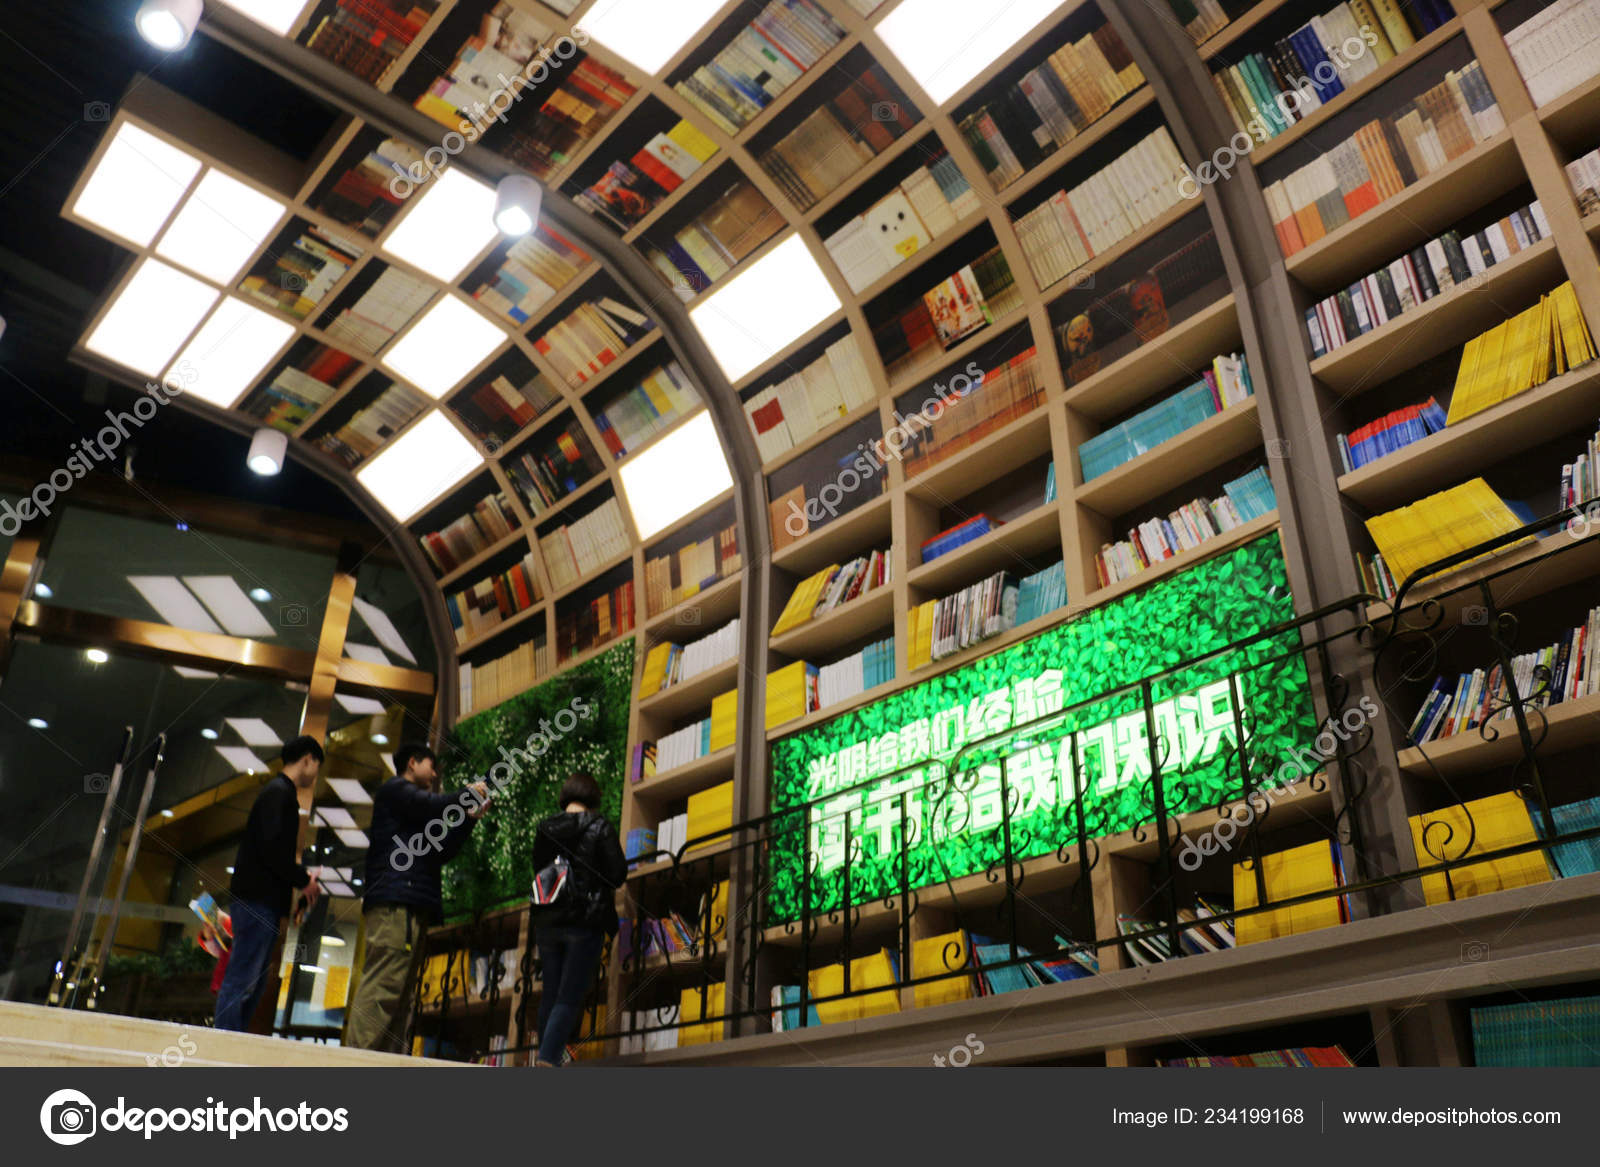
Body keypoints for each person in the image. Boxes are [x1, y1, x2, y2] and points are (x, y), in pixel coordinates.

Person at [344, 744, 489, 1052]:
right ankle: (355, 1062)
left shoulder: (413, 812)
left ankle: (378, 1063)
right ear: (412, 763)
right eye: (431, 766)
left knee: (400, 991)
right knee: (385, 984)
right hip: (396, 903)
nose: (435, 774)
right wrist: (467, 795)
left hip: (409, 904)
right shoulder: (396, 791)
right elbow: (430, 804)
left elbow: (442, 850)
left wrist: (469, 818)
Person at [214, 735, 323, 1032]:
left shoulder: (277, 793)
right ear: (307, 759)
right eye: (316, 766)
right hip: (257, 900)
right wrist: (304, 880)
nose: (315, 775)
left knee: (251, 982)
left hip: (259, 900)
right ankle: (221, 1045)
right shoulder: (279, 795)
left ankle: (230, 1042)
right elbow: (272, 848)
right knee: (242, 980)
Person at [530, 772, 627, 1066]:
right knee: (570, 995)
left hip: (548, 920)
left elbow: (538, 868)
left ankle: (543, 1057)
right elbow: (617, 874)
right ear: (594, 797)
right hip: (585, 920)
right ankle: (548, 1060)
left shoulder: (545, 828)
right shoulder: (599, 826)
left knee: (551, 992)